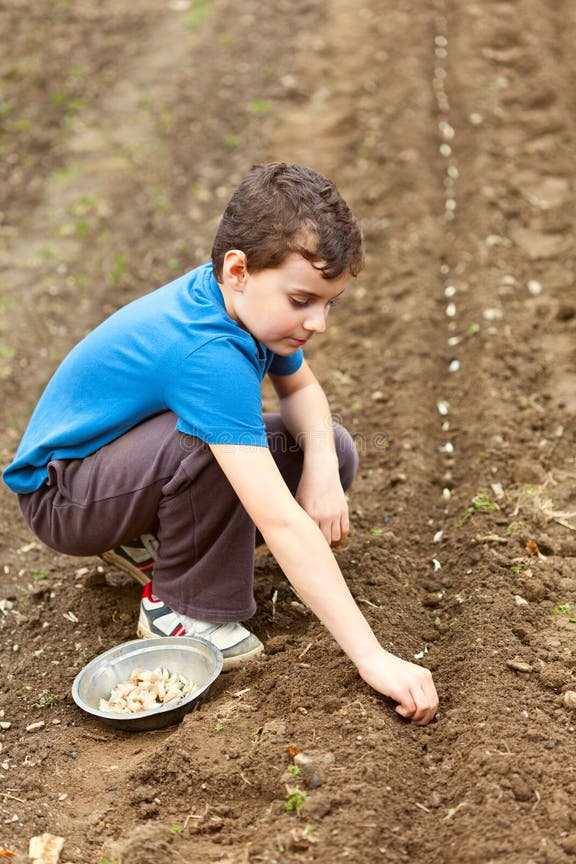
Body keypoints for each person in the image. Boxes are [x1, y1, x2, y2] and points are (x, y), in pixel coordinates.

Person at [2, 162, 438, 725]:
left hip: (115, 469)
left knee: (322, 445)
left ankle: (152, 538)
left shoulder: (244, 304)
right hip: (64, 495)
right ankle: (180, 606)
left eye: (330, 304)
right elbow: (279, 521)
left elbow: (301, 387)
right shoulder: (207, 353)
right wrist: (372, 657)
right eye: (303, 300)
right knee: (213, 446)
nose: (319, 322)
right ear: (238, 269)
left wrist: (324, 468)